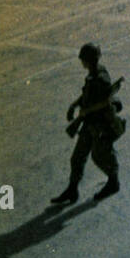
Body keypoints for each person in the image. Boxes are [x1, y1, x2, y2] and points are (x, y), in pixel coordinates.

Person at [51, 43, 121, 204]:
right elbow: (87, 94)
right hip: (90, 123)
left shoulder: (100, 77)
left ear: (89, 60)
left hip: (100, 124)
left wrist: (86, 111)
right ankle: (72, 190)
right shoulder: (93, 74)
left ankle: (113, 182)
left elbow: (105, 100)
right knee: (77, 157)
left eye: (83, 59)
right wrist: (75, 104)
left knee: (100, 156)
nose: (81, 61)